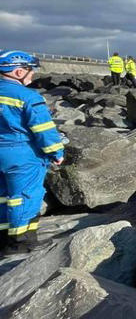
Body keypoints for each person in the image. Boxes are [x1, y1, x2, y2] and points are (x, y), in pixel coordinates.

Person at [0, 51, 64, 254]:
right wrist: (57, 152)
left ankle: (3, 239)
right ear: (19, 72)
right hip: (22, 155)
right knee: (26, 196)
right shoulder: (28, 97)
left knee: (3, 196)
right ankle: (21, 243)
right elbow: (43, 129)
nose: (33, 74)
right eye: (31, 70)